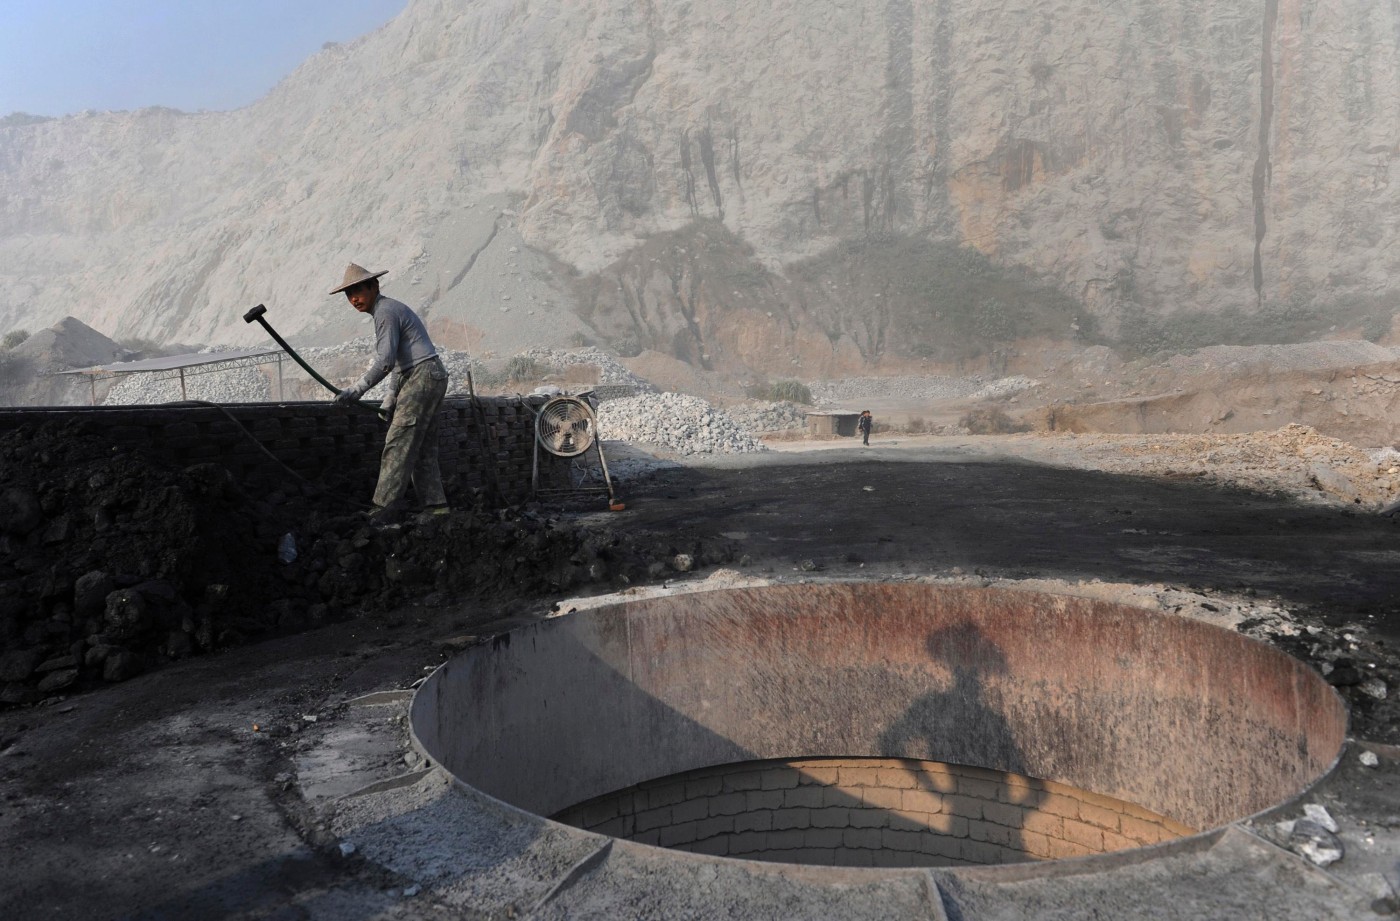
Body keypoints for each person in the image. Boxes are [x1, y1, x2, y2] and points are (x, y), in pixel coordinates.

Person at [329, 263, 450, 521]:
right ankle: (436, 507)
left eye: (358, 290)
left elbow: (385, 361)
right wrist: (390, 397)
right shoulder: (388, 310)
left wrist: (357, 389)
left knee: (398, 441)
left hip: (422, 376)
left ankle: (382, 509)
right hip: (430, 374)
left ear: (374, 286)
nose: (353, 299)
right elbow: (397, 363)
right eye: (348, 294)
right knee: (422, 446)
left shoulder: (385, 311)